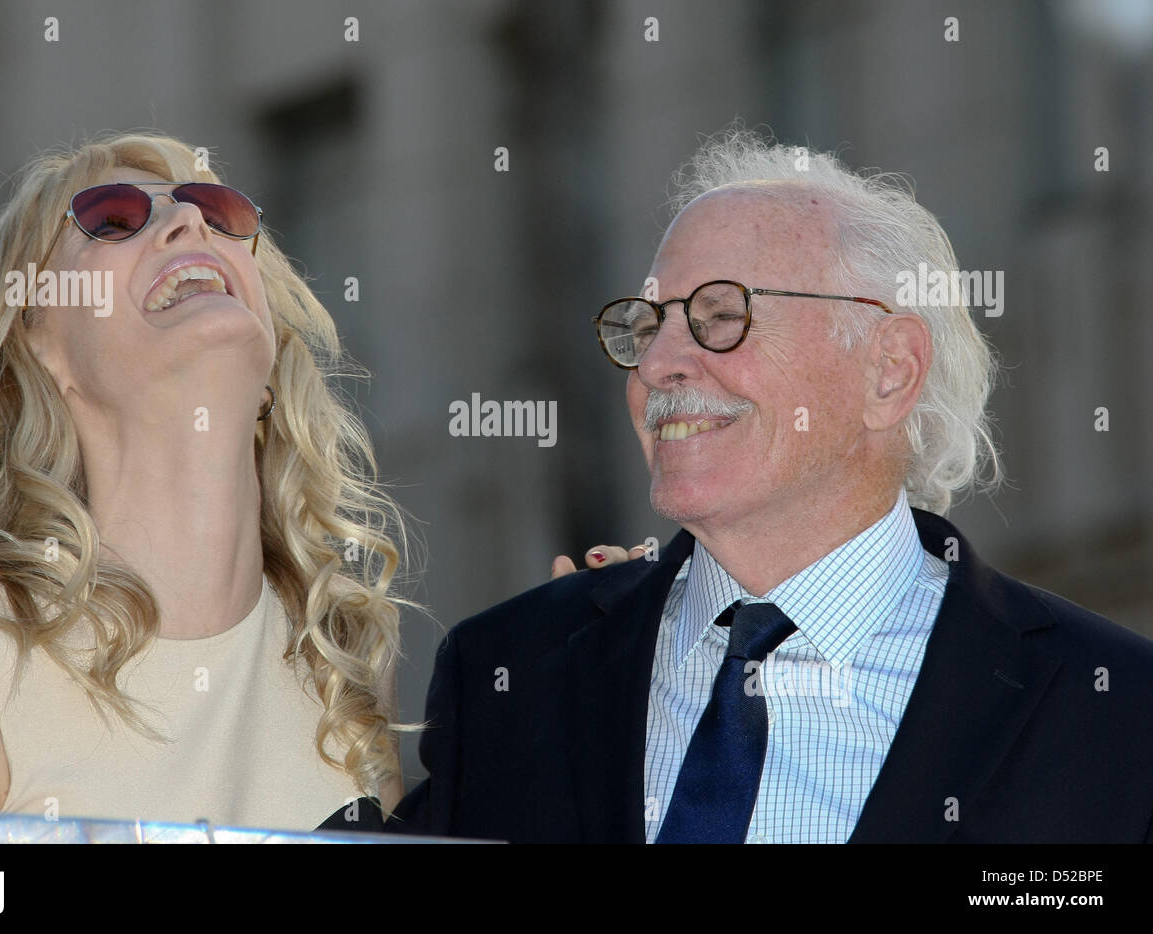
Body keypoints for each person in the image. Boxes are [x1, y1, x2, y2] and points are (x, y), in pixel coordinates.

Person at [390, 128, 1153, 843]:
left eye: (720, 316)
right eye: (646, 324)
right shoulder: (514, 674)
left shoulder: (1112, 711)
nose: (657, 366)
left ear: (889, 371)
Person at [0, 132, 408, 832]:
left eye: (218, 209)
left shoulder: (342, 662)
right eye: (112, 218)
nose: (189, 222)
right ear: (40, 347)